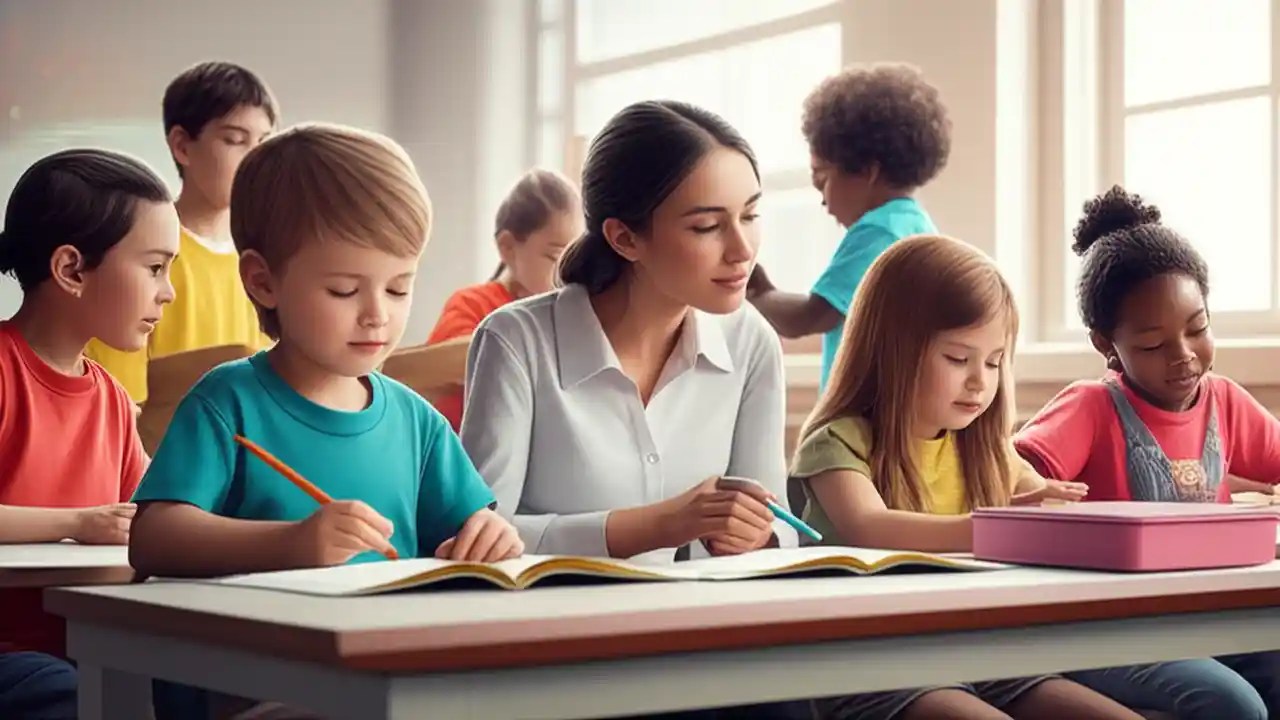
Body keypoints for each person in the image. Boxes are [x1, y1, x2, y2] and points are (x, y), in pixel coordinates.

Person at [461, 99, 807, 720]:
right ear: (624, 237)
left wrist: (754, 533)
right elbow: (483, 537)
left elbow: (776, 524)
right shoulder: (516, 341)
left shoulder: (751, 339)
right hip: (552, 654)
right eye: (706, 227)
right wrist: (654, 525)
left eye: (750, 216)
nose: (742, 250)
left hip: (703, 647)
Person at [791, 233, 1136, 720]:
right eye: (958, 359)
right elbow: (870, 526)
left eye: (994, 362)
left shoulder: (986, 450)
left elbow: (1052, 513)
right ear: (893, 348)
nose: (980, 381)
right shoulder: (838, 442)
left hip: (988, 657)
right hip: (871, 664)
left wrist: (1061, 515)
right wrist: (998, 525)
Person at [1015, 186, 1280, 719]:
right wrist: (1032, 489)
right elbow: (1000, 470)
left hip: (1210, 615)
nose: (1184, 356)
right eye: (1153, 345)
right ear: (1105, 344)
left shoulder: (1224, 401)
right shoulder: (1092, 406)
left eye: (1199, 328)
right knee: (1231, 705)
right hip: (1108, 630)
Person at [0, 148, 178, 661]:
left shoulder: (113, 401)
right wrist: (77, 523)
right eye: (154, 268)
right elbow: (100, 521)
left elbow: (152, 517)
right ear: (72, 269)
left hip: (95, 647)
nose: (166, 293)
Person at [85, 60, 279, 404]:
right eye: (235, 140)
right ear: (182, 146)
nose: (254, 159)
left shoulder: (270, 259)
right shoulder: (137, 252)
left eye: (263, 142)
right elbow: (119, 406)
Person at [747, 62, 950, 389]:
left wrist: (757, 297)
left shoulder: (878, 233)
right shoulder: (916, 226)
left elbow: (813, 316)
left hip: (861, 418)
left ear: (867, 172)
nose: (823, 200)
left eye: (822, 179)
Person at [426, 168, 582, 431]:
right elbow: (454, 362)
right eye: (555, 257)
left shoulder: (569, 310)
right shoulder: (473, 303)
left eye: (574, 255)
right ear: (508, 247)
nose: (567, 271)